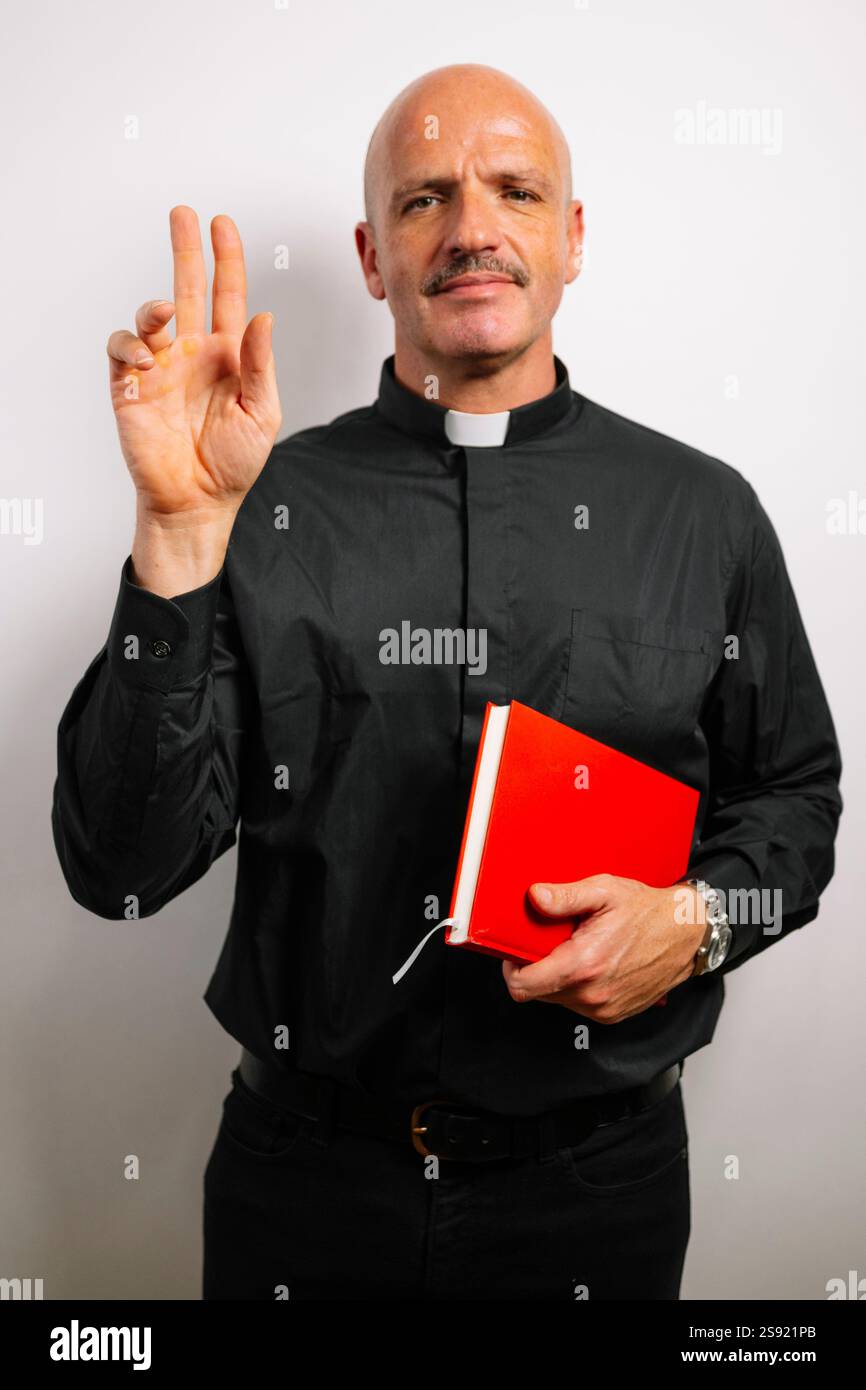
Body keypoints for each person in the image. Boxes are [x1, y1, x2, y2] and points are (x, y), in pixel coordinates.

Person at [51, 63, 843, 1300]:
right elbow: (118, 873)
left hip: (598, 1196)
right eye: (424, 199)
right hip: (302, 1199)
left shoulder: (706, 515)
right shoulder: (253, 505)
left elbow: (795, 808)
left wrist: (696, 927)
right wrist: (176, 538)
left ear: (570, 239)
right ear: (372, 258)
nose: (471, 228)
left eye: (514, 191)